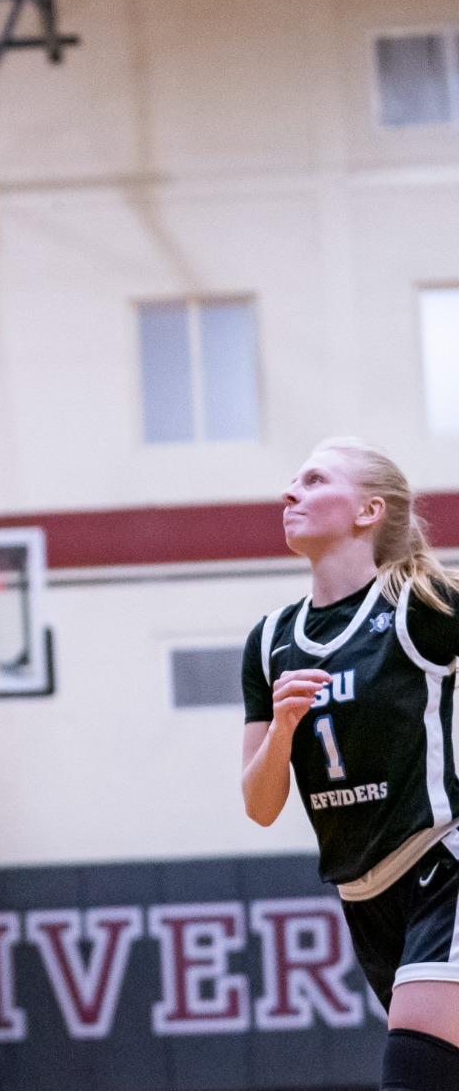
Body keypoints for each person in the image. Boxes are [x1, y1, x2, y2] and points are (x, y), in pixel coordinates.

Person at [240, 439, 459, 1091]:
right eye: (292, 480)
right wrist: (282, 727)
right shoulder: (270, 639)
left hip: (441, 867)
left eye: (312, 479)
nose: (290, 493)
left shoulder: (419, 603)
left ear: (369, 509)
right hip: (364, 896)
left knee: (414, 1074)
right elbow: (259, 803)